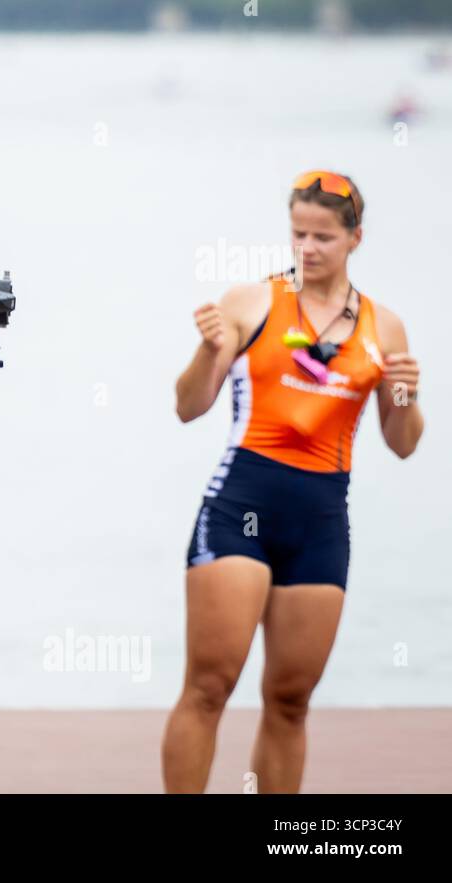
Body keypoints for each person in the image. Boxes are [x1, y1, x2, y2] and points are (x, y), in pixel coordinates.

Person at [163, 171, 424, 794]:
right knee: (209, 686)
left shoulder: (384, 328)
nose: (307, 248)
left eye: (323, 237)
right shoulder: (250, 303)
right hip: (240, 509)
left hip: (321, 524)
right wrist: (207, 351)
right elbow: (187, 406)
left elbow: (404, 443)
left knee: (290, 700)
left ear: (355, 239)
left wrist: (405, 392)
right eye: (298, 234)